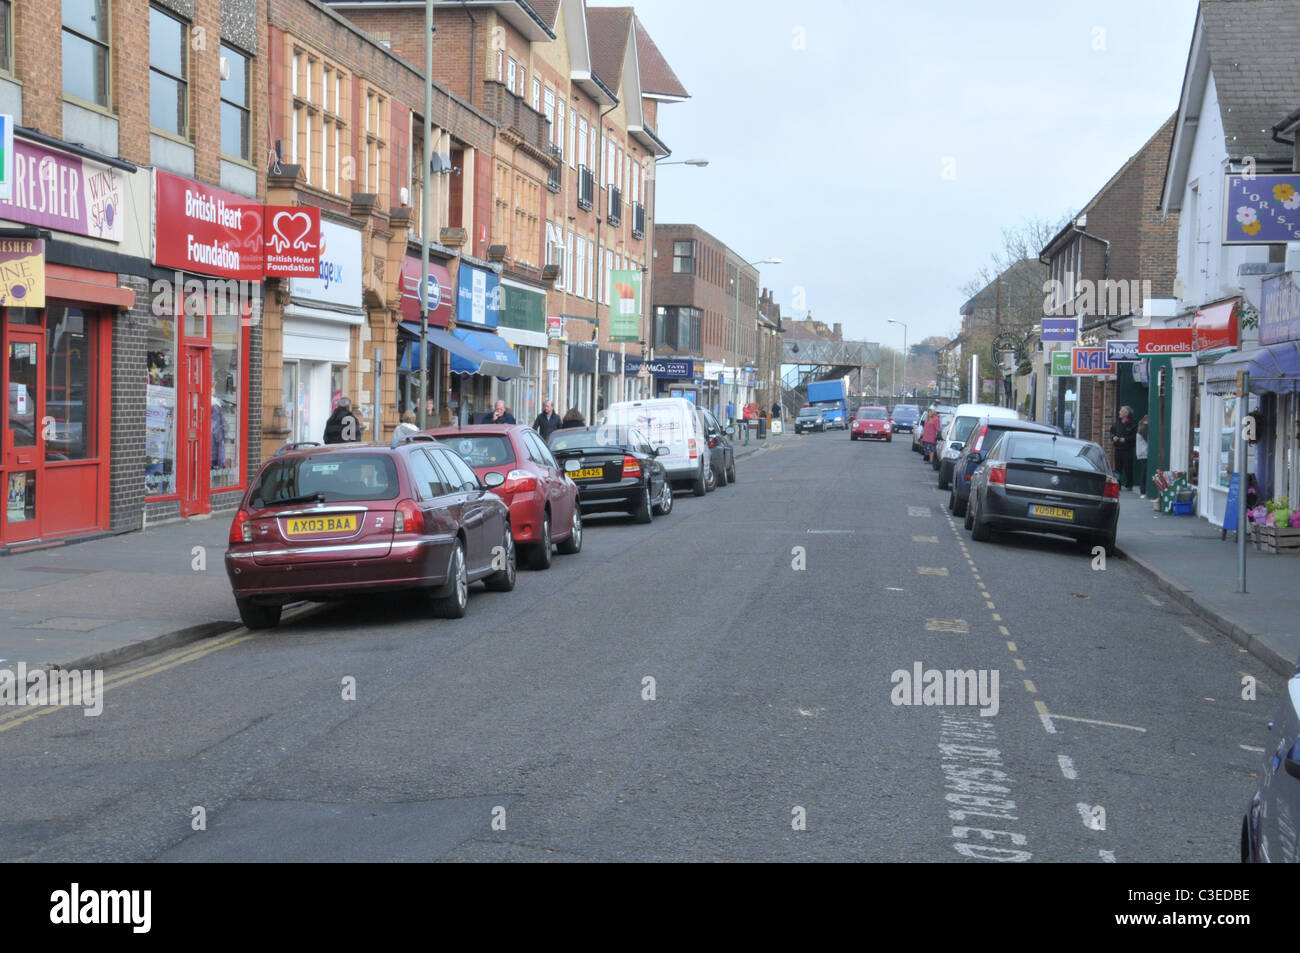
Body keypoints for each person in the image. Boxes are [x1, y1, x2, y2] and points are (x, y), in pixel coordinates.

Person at [1110, 405, 1138, 490]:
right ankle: (1118, 485)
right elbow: (1111, 432)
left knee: (1128, 467)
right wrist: (1113, 437)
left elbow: (1134, 437)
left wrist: (1126, 440)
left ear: (1126, 413)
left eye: (1121, 411)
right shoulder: (1117, 423)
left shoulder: (1133, 424)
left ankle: (1129, 485)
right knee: (1117, 468)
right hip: (1118, 449)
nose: (1119, 413)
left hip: (1127, 449)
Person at [1135, 414, 1149, 498]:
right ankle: (1143, 491)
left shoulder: (1142, 428)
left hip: (1142, 453)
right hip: (1144, 453)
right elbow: (1148, 439)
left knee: (1144, 472)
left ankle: (1143, 491)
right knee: (1144, 472)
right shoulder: (1144, 428)